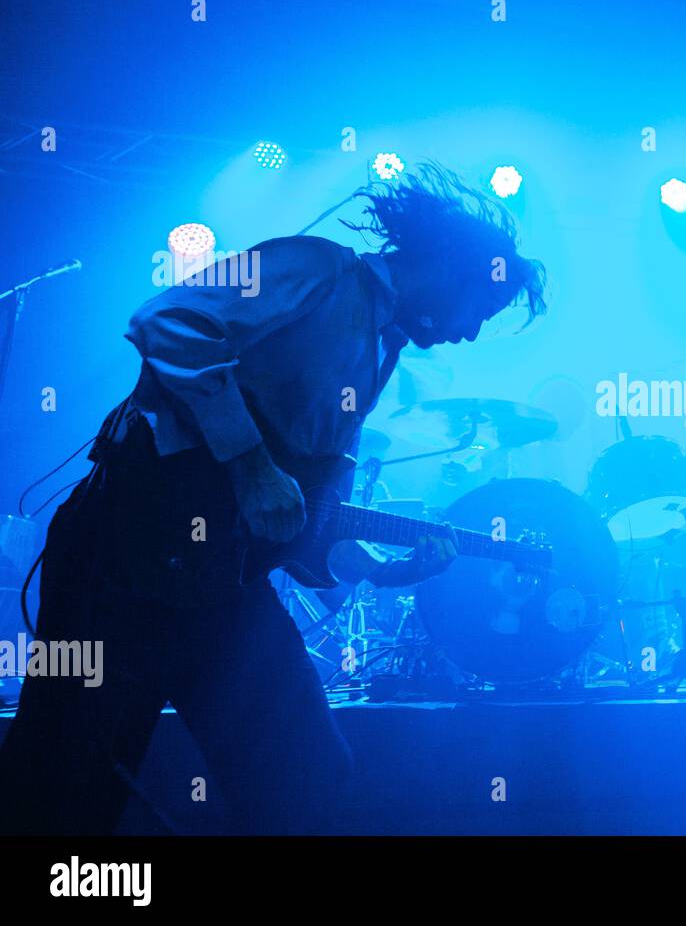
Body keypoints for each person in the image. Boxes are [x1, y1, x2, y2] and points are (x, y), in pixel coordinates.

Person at [0, 163, 546, 834]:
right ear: (451, 268)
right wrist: (251, 462)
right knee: (61, 797)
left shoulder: (382, 350)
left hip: (220, 587)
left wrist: (384, 569)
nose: (470, 332)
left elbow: (304, 528)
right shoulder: (314, 268)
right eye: (479, 311)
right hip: (120, 562)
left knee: (307, 780)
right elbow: (168, 318)